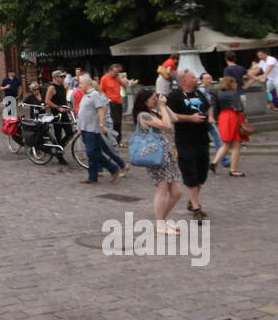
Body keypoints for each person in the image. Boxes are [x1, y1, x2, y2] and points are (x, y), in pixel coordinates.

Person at [131, 88, 184, 236]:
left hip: (166, 154)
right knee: (162, 188)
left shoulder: (154, 112)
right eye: (153, 98)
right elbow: (167, 126)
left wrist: (164, 105)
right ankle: (160, 224)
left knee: (176, 192)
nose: (156, 100)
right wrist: (161, 106)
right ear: (145, 101)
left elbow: (173, 119)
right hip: (155, 154)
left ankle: (161, 220)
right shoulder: (144, 115)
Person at [166, 70, 211, 220]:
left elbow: (208, 106)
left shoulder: (199, 93)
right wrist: (190, 118)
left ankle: (193, 201)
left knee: (202, 172)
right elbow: (170, 115)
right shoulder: (175, 96)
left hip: (202, 138)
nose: (196, 79)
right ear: (184, 80)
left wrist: (210, 117)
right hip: (185, 139)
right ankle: (196, 207)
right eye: (193, 77)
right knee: (190, 171)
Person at [77, 76, 126, 184]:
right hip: (85, 128)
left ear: (87, 83)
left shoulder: (94, 95)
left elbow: (101, 109)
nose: (79, 85)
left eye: (81, 83)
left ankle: (113, 168)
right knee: (92, 153)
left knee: (92, 152)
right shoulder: (86, 95)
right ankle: (92, 176)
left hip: (92, 129)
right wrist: (79, 127)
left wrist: (101, 124)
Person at [211, 75, 247, 176]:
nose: (236, 84)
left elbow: (215, 108)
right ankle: (234, 169)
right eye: (234, 83)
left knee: (226, 143)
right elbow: (239, 108)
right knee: (236, 144)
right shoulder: (234, 93)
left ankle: (214, 162)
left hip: (223, 117)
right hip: (233, 117)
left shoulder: (218, 93)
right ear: (230, 84)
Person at [198, 73, 229, 167]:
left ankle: (223, 159)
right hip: (204, 118)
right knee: (216, 138)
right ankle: (223, 160)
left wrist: (211, 116)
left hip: (206, 118)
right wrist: (210, 117)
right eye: (207, 78)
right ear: (202, 80)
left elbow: (209, 106)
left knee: (215, 138)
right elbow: (205, 106)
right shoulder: (201, 91)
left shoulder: (205, 91)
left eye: (210, 78)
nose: (209, 80)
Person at [43, 69, 73, 165]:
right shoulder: (52, 87)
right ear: (56, 78)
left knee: (70, 132)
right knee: (58, 134)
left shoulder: (63, 87)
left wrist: (68, 107)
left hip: (64, 112)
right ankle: (60, 156)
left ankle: (59, 147)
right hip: (57, 114)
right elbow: (47, 101)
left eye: (64, 76)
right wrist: (58, 108)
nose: (63, 78)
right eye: (62, 77)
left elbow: (64, 99)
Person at [100, 64, 129, 144]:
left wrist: (120, 78)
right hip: (111, 102)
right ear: (110, 71)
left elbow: (125, 85)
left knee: (119, 122)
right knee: (115, 121)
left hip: (118, 101)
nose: (117, 73)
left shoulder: (117, 78)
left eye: (118, 72)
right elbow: (101, 90)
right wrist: (106, 99)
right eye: (115, 72)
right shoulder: (105, 78)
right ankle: (114, 139)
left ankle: (118, 139)